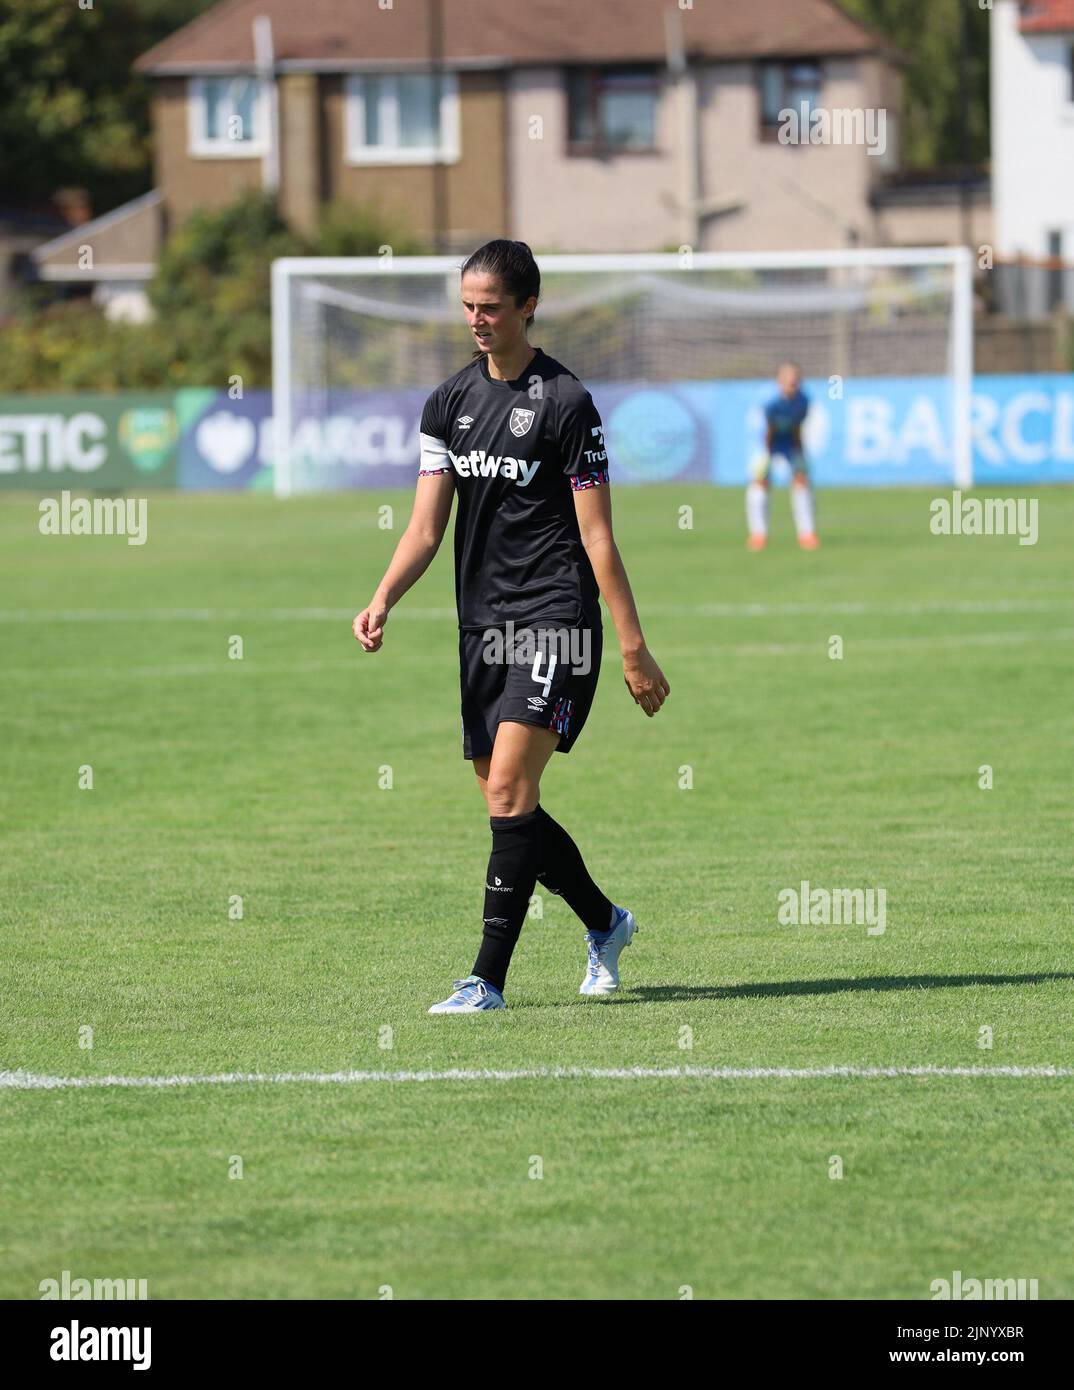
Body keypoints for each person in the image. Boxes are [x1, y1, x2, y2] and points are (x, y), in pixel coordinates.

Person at [352, 240, 670, 1013]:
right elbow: (427, 527)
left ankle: (485, 980)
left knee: (506, 785)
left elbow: (598, 535)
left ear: (528, 305)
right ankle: (605, 922)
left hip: (556, 618)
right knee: (509, 804)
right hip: (481, 629)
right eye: (468, 306)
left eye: (490, 306)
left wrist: (631, 646)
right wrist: (384, 595)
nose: (477, 320)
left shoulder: (567, 403)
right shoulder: (447, 404)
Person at [746, 362, 820, 550]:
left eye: (796, 379)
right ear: (779, 381)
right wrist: (767, 458)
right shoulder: (769, 400)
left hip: (788, 439)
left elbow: (797, 427)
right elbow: (767, 430)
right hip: (765, 439)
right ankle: (758, 534)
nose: (792, 383)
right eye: (788, 379)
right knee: (761, 481)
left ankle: (807, 534)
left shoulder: (803, 400)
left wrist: (798, 453)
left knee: (801, 479)